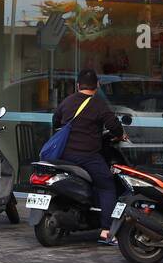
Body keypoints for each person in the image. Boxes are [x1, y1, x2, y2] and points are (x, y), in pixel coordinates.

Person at [52, 68, 124, 244]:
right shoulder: (98, 104)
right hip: (87, 156)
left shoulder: (67, 101)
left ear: (78, 85)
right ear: (97, 86)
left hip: (64, 155)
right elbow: (114, 126)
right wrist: (120, 135)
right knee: (107, 185)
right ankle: (106, 231)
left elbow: (55, 121)